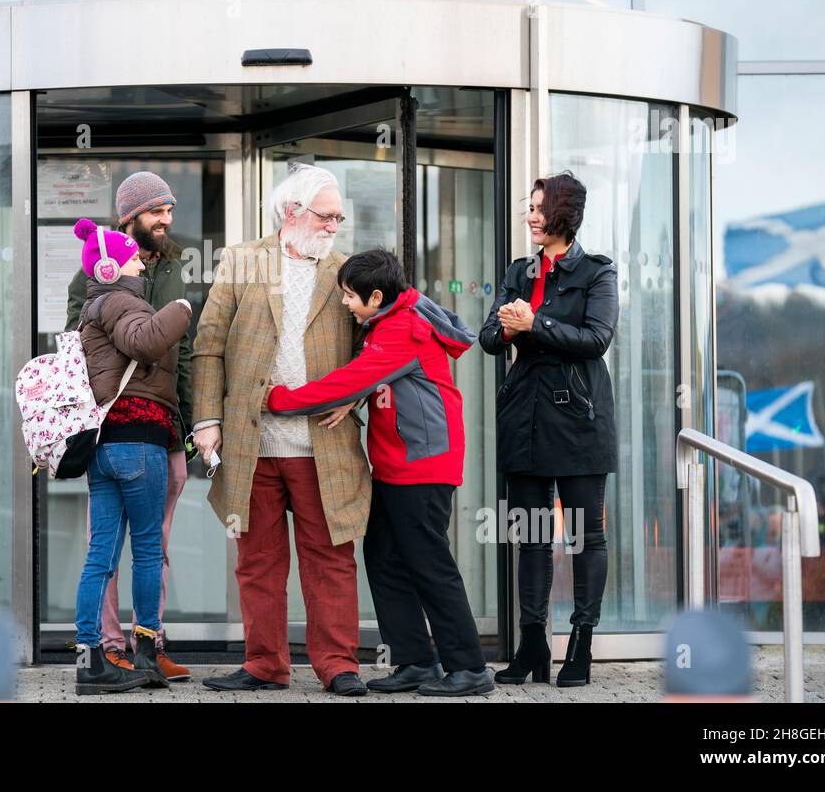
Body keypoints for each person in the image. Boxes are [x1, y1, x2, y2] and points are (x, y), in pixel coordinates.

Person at [264, 249, 494, 697]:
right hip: (393, 466)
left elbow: (347, 381)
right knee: (385, 558)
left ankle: (469, 667)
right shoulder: (386, 320)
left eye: (350, 296)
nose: (345, 304)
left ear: (375, 295)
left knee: (429, 564)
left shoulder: (402, 328)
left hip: (423, 466)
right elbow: (367, 382)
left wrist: (278, 400)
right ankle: (414, 662)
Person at [192, 163, 371, 696]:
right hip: (252, 442)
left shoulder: (346, 269)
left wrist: (356, 394)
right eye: (326, 215)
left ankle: (339, 665)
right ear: (291, 212)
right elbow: (209, 344)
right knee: (258, 561)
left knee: (331, 558)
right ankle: (265, 664)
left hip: (323, 444)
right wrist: (207, 420)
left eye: (339, 216)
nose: (334, 225)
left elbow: (379, 347)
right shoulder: (242, 261)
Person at [480, 171, 619, 688]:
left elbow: (597, 338)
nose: (531, 216)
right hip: (524, 415)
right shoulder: (519, 271)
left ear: (565, 213)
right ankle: (532, 644)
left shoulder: (597, 273)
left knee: (586, 536)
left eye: (539, 208)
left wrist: (533, 324)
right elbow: (490, 336)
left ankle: (581, 644)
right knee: (531, 536)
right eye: (530, 207)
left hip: (579, 418)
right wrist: (505, 325)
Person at [65, 170, 194, 682]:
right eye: (156, 211)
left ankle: (111, 651)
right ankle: (119, 647)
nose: (166, 220)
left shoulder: (171, 264)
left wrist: (185, 424)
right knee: (131, 547)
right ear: (129, 219)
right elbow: (98, 343)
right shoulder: (105, 277)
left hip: (159, 425)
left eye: (170, 210)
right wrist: (181, 311)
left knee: (136, 547)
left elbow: (180, 357)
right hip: (130, 428)